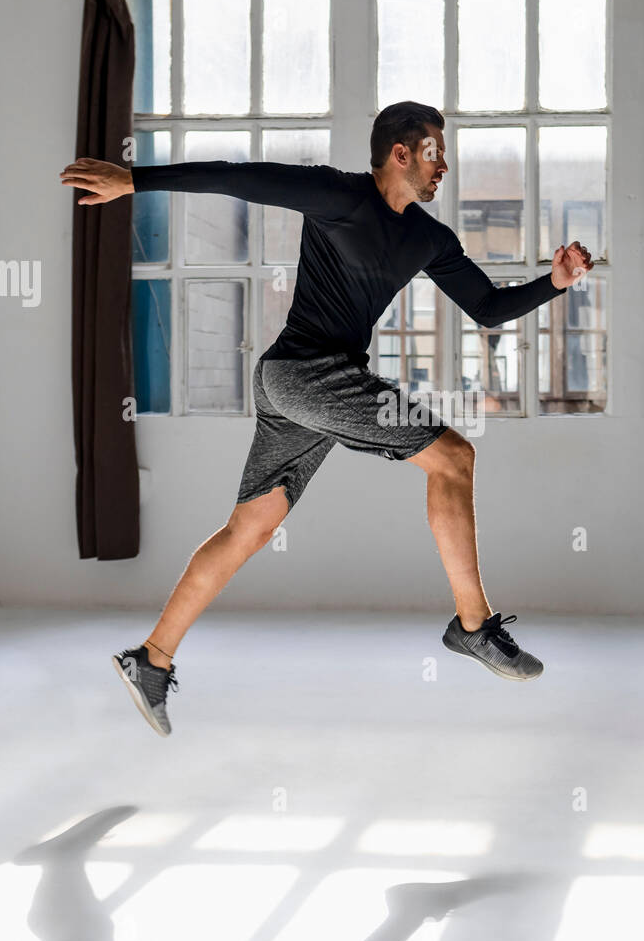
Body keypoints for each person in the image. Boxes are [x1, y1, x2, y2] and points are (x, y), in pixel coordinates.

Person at [61, 101, 592, 736]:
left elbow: (487, 307)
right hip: (305, 376)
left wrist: (554, 283)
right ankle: (473, 626)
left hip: (295, 386)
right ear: (401, 153)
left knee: (249, 528)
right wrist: (133, 179)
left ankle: (150, 659)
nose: (443, 166)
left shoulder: (429, 239)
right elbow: (235, 176)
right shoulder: (337, 195)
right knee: (454, 458)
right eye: (435, 152)